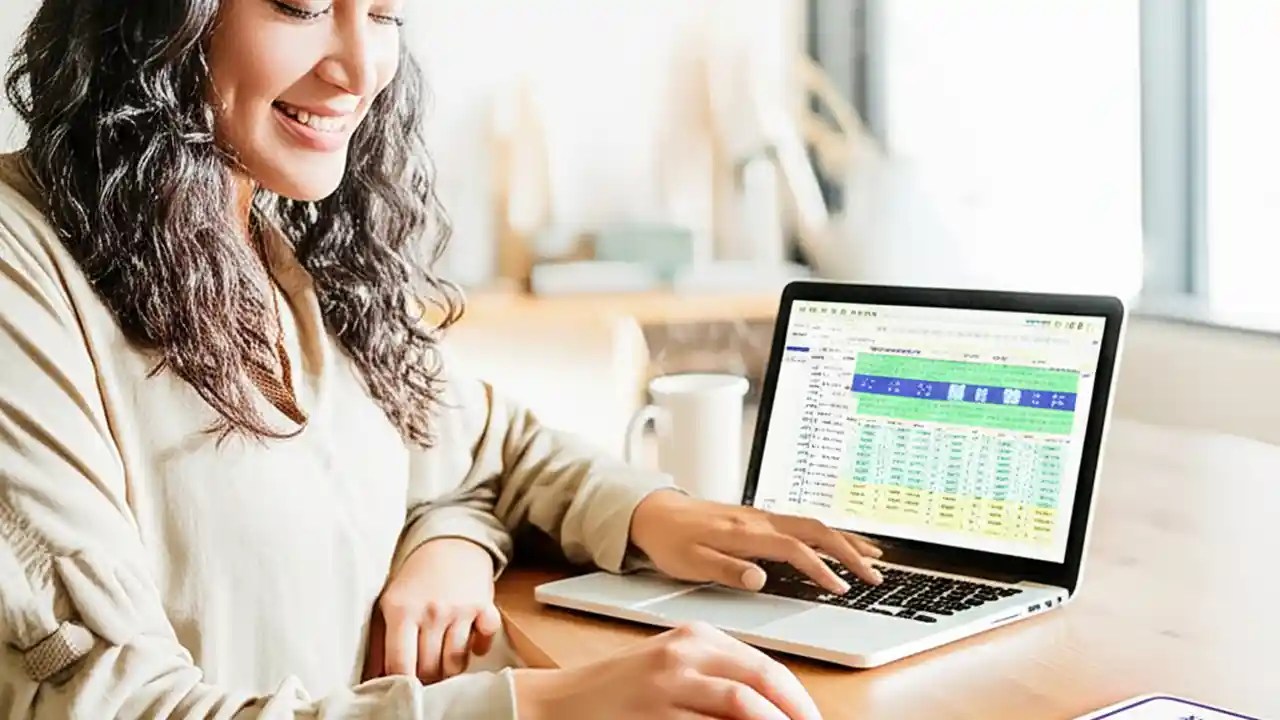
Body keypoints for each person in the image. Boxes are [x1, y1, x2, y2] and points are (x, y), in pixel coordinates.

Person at [0, 1, 882, 717]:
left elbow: (479, 442)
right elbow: (106, 703)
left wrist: (645, 514)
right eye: (301, 6)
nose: (357, 69)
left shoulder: (260, 240)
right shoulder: (22, 265)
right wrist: (545, 706)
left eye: (382, 13)